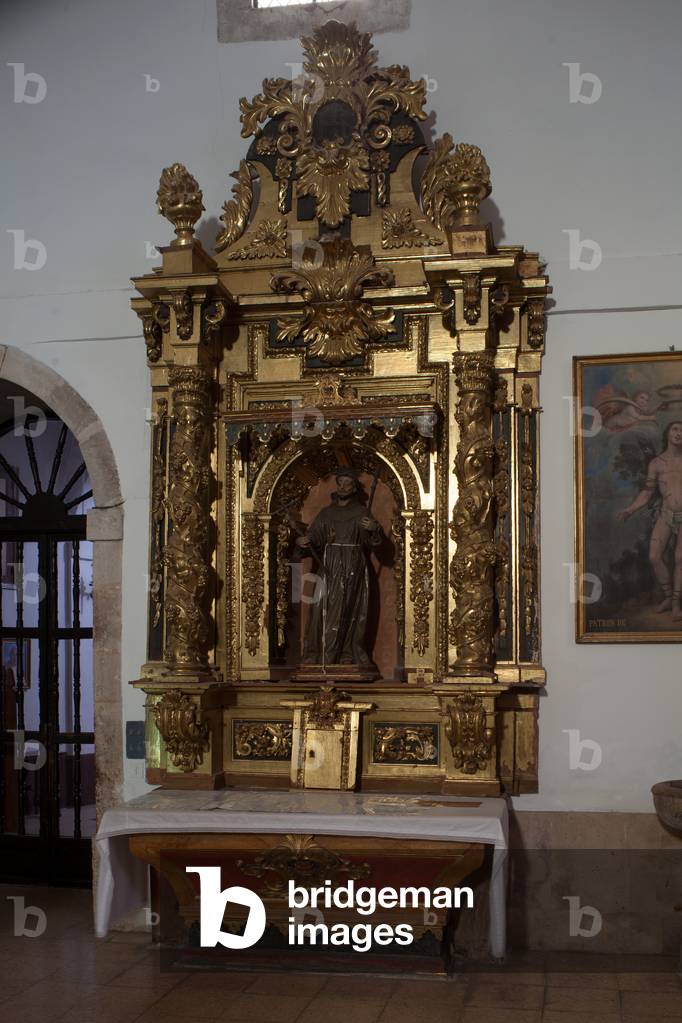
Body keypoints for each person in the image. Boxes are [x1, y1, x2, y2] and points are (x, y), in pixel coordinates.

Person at [296, 468, 383, 666]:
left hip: (353, 566)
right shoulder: (327, 513)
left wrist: (373, 529)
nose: (343, 487)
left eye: (347, 484)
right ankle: (318, 654)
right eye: (340, 483)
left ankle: (347, 655)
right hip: (329, 566)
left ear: (353, 489)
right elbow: (314, 539)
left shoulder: (362, 512)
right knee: (322, 609)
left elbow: (374, 544)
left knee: (350, 610)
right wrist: (304, 541)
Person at [618, 421, 682, 620]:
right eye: (675, 429)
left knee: (680, 558)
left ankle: (676, 604)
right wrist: (630, 510)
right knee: (654, 556)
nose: (679, 433)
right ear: (667, 434)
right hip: (665, 515)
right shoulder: (656, 463)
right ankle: (668, 595)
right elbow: (647, 493)